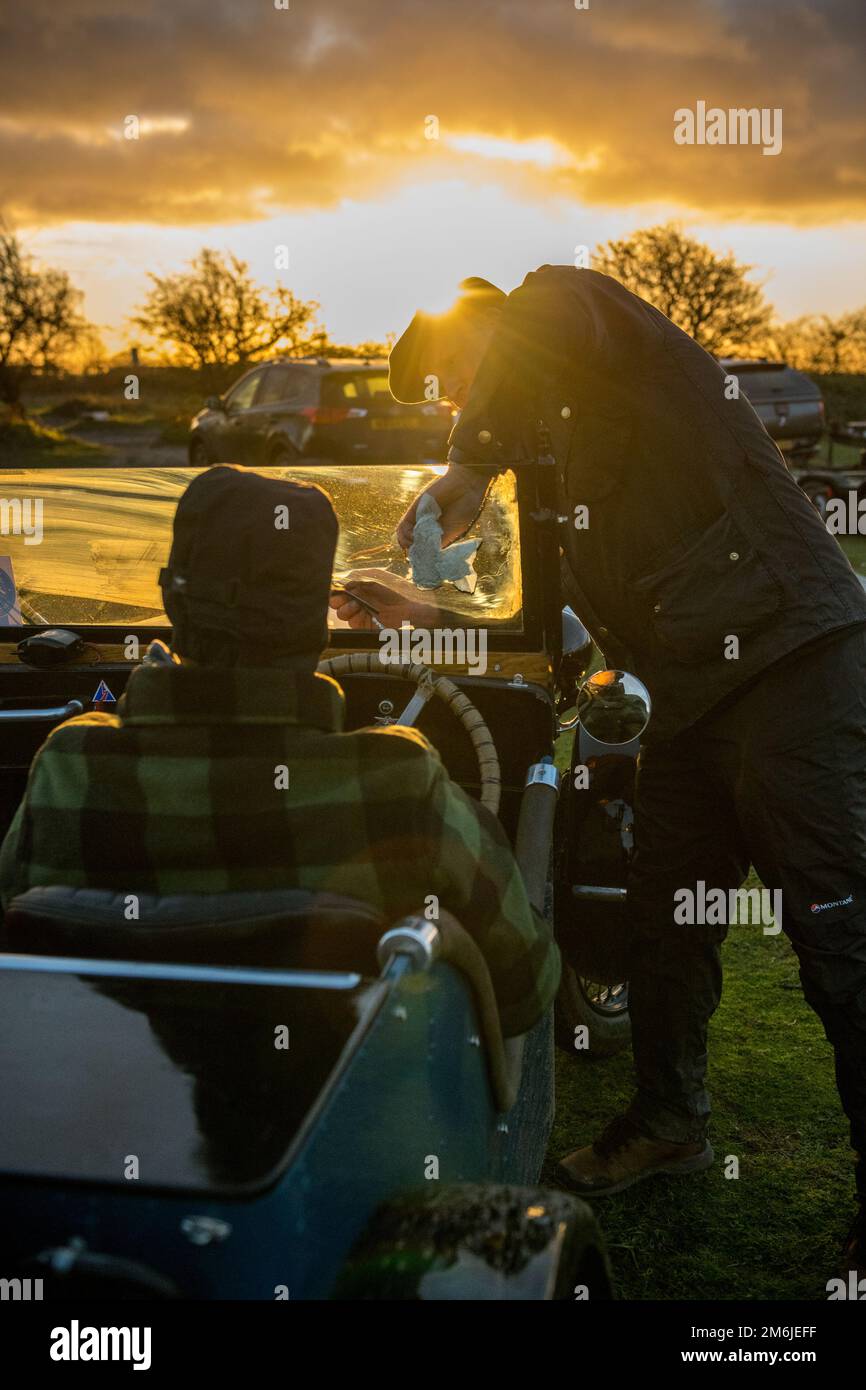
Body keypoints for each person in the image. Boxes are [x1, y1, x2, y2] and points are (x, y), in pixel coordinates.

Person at [382, 267, 866, 1278]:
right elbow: (559, 613)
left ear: (485, 337)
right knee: (664, 918)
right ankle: (667, 1121)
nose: (461, 411)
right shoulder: (548, 448)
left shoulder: (567, 312)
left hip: (791, 663)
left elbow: (541, 314)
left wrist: (467, 463)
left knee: (835, 934)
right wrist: (426, 611)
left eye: (455, 379)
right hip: (689, 699)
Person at [0, 464, 559, 1040]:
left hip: (114, 1110)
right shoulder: (396, 783)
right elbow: (526, 988)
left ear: (171, 602)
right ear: (318, 628)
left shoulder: (70, 769)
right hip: (345, 1116)